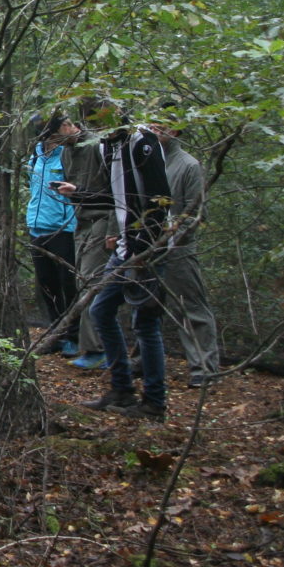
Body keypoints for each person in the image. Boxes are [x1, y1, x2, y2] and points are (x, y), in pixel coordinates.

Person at [80, 124, 173, 420]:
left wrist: (144, 250)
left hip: (146, 249)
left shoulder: (141, 141)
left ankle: (154, 403)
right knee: (101, 310)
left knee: (145, 323)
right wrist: (77, 194)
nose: (95, 130)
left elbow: (161, 200)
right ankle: (121, 388)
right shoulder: (106, 147)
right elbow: (114, 198)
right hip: (124, 248)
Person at [150, 111, 220, 389]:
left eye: (160, 127)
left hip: (178, 249)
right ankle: (146, 360)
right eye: (152, 125)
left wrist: (174, 234)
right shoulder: (147, 159)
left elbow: (195, 212)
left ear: (175, 131)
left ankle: (204, 367)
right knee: (147, 307)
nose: (154, 131)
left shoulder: (189, 165)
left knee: (190, 307)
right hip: (147, 246)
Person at [57, 98, 124, 371]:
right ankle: (96, 348)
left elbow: (117, 191)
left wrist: (114, 231)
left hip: (103, 220)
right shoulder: (65, 152)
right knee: (84, 282)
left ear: (67, 125)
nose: (54, 142)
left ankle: (99, 350)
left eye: (54, 134)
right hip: (81, 223)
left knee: (91, 283)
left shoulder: (98, 145)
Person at [25, 114, 80, 358]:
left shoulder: (70, 154)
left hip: (64, 228)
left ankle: (73, 337)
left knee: (69, 285)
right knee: (47, 284)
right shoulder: (37, 153)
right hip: (37, 228)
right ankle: (55, 333)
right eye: (66, 124)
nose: (72, 127)